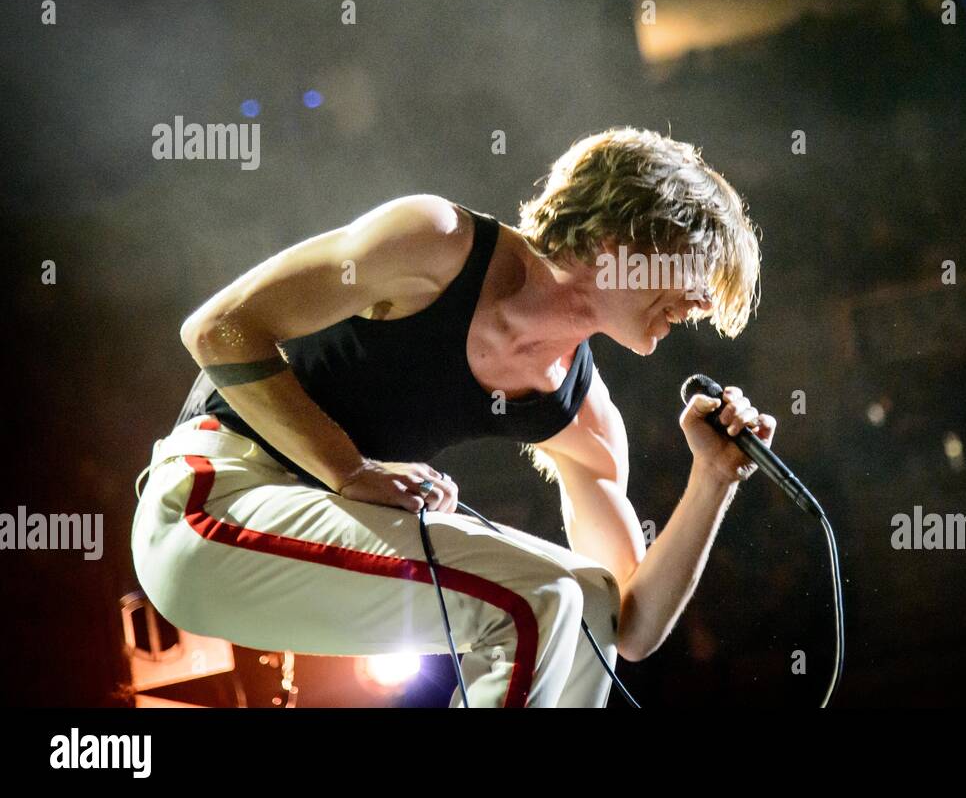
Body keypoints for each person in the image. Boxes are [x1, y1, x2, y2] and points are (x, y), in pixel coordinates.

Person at [130, 126, 773, 707]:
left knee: (587, 604)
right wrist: (349, 470)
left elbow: (629, 627)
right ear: (618, 236)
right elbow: (218, 331)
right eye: (692, 267)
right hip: (210, 505)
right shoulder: (436, 243)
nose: (698, 302)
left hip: (299, 549)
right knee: (541, 602)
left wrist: (712, 478)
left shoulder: (587, 420)